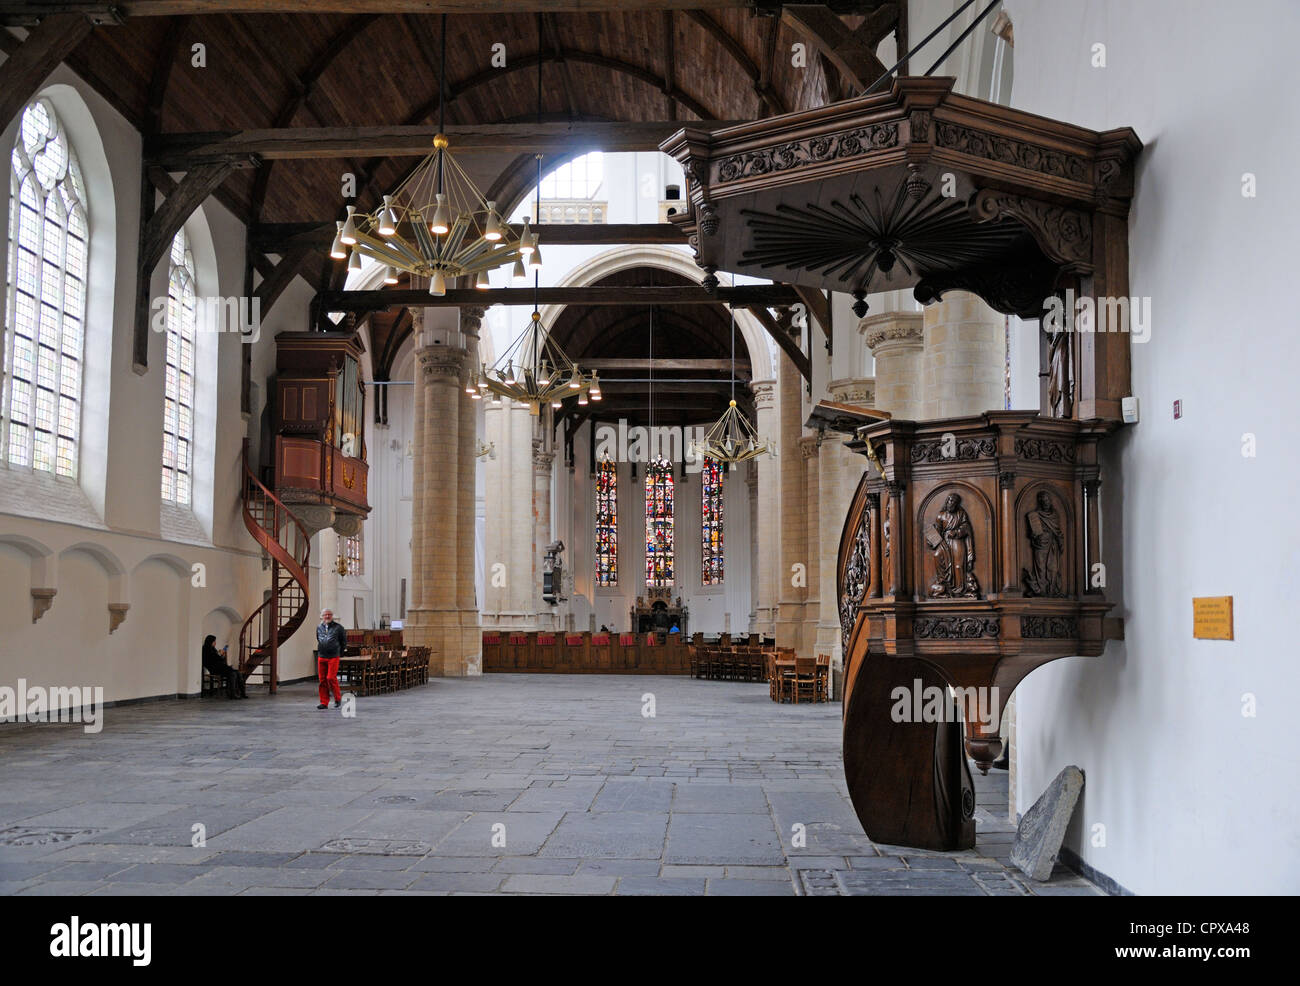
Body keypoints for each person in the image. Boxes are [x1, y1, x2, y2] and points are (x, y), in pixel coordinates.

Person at [316, 609, 346, 710]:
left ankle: (337, 698)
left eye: (329, 614)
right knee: (322, 680)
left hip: (333, 656)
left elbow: (343, 642)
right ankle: (324, 702)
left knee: (331, 678)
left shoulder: (339, 628)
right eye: (325, 615)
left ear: (332, 616)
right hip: (322, 656)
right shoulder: (319, 627)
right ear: (322, 616)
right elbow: (318, 639)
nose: (327, 616)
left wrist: (339, 653)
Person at [201, 634, 245, 699]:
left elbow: (220, 659)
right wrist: (219, 654)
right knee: (233, 673)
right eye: (214, 641)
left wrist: (221, 655)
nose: (215, 643)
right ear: (210, 641)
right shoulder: (206, 649)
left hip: (220, 667)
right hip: (214, 669)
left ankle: (242, 693)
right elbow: (213, 659)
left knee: (238, 672)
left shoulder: (213, 649)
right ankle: (232, 694)